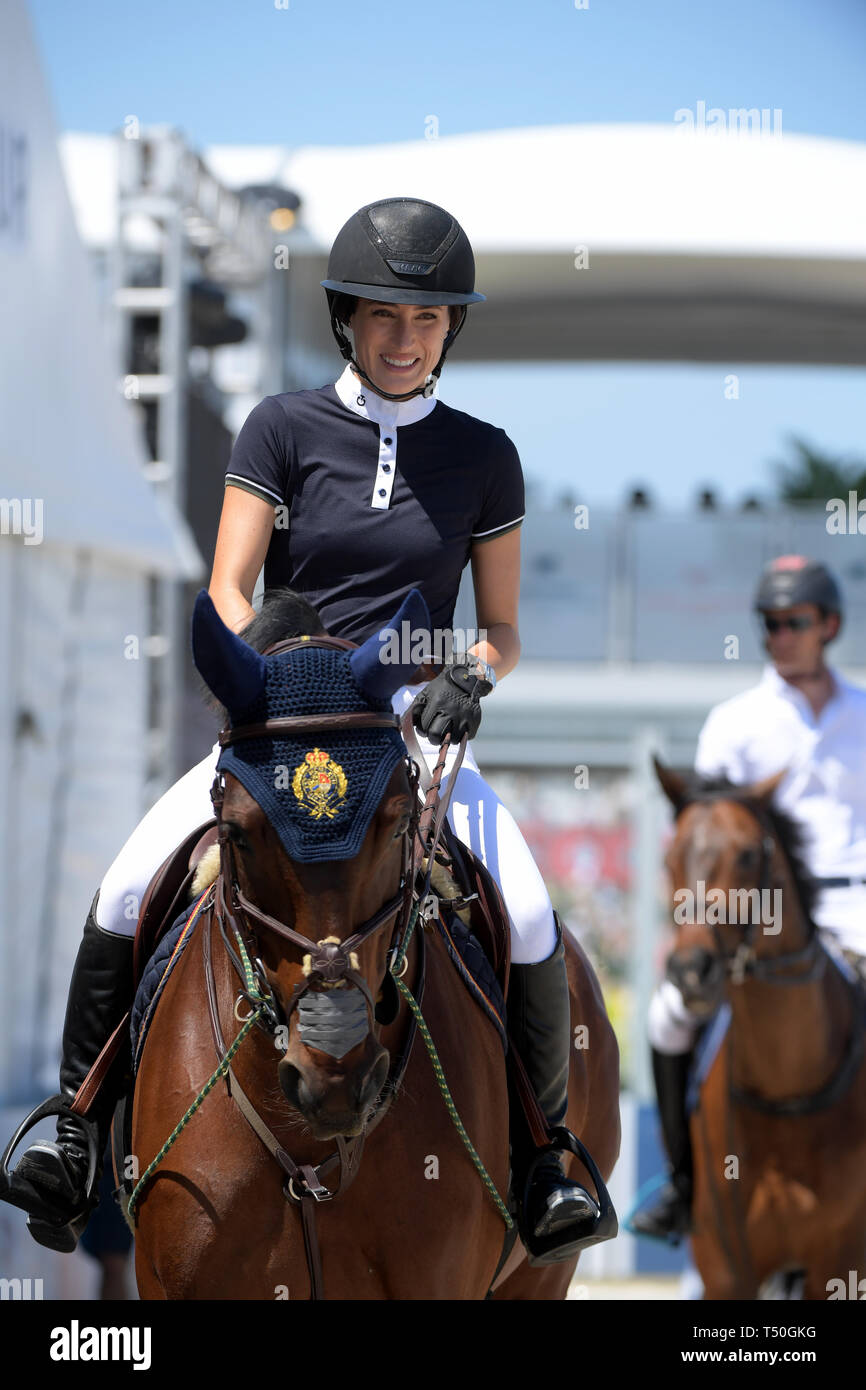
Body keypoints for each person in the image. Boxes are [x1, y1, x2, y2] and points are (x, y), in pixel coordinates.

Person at [6, 196, 600, 1260]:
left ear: (449, 331)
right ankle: (74, 1132)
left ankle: (543, 1156)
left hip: (407, 731)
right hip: (282, 723)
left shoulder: (483, 455)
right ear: (345, 321)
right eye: (382, 316)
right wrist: (271, 680)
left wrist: (469, 673)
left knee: (528, 903)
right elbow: (231, 586)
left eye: (425, 321)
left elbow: (502, 626)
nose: (403, 339)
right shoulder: (279, 426)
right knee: (131, 882)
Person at [633, 554, 866, 1241]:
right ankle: (683, 1185)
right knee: (666, 1017)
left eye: (793, 622)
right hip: (759, 909)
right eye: (768, 624)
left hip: (855, 897)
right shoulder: (735, 721)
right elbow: (706, 832)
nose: (778, 636)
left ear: (829, 625)